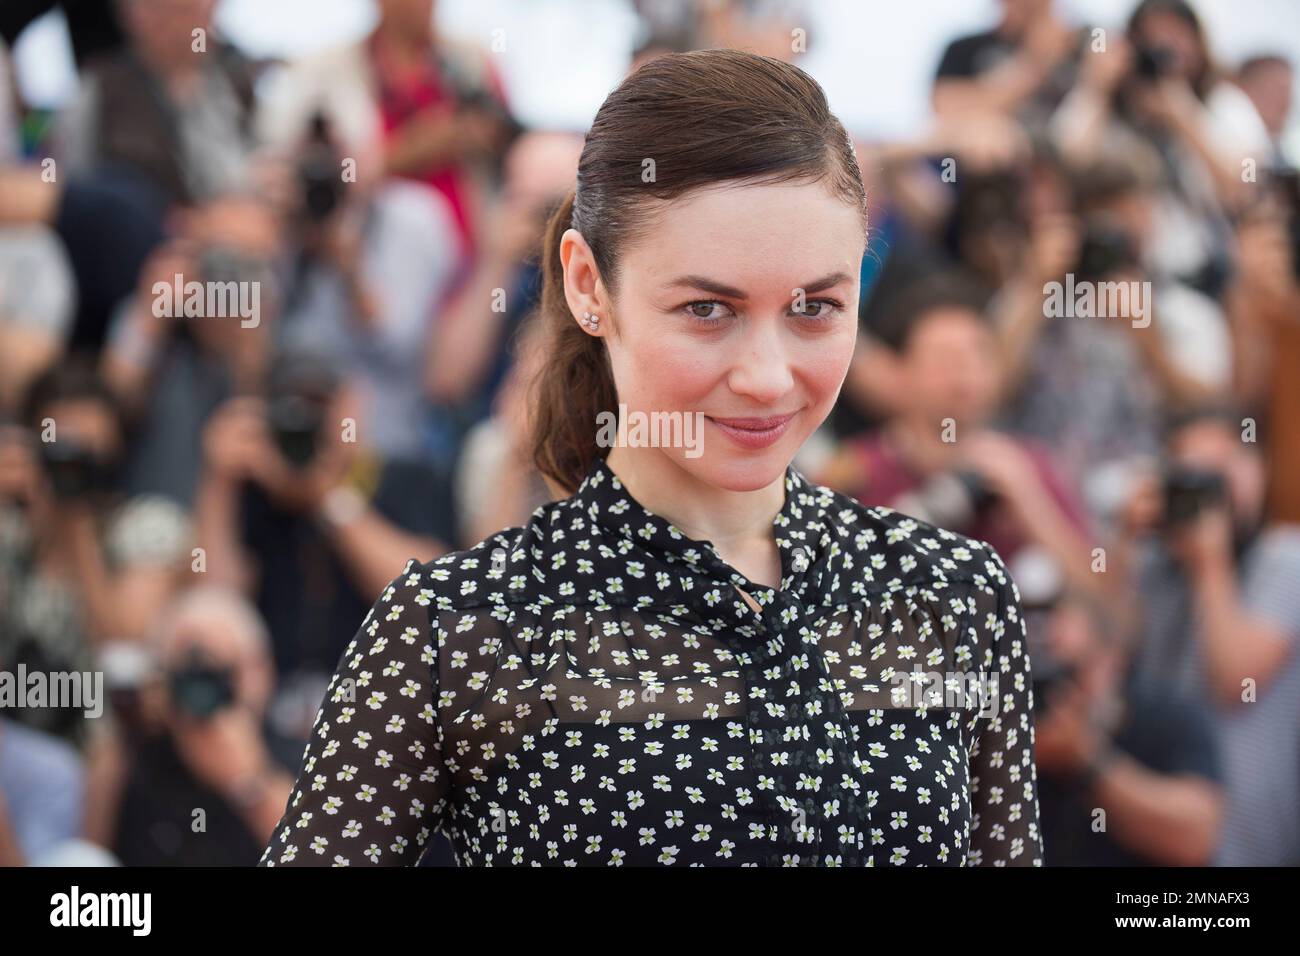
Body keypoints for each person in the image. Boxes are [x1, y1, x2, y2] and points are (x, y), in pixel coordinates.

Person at [259, 49, 1043, 868]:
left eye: (815, 307)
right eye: (708, 310)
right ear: (587, 286)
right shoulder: (459, 630)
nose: (767, 376)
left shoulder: (952, 595)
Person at [1120, 405, 1300, 866]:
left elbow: (1236, 680)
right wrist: (1123, 541)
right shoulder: (1159, 568)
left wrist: (1209, 562)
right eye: (1193, 474)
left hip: (1248, 850)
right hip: (1158, 837)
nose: (1212, 490)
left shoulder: (1286, 560)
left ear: (1260, 468)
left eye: (1226, 466)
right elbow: (1107, 656)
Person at [1032, 591, 1223, 865]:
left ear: (1112, 659)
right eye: (1043, 674)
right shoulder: (1020, 728)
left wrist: (1086, 761)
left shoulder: (1166, 717)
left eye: (1070, 672)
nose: (1058, 695)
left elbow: (1196, 835)